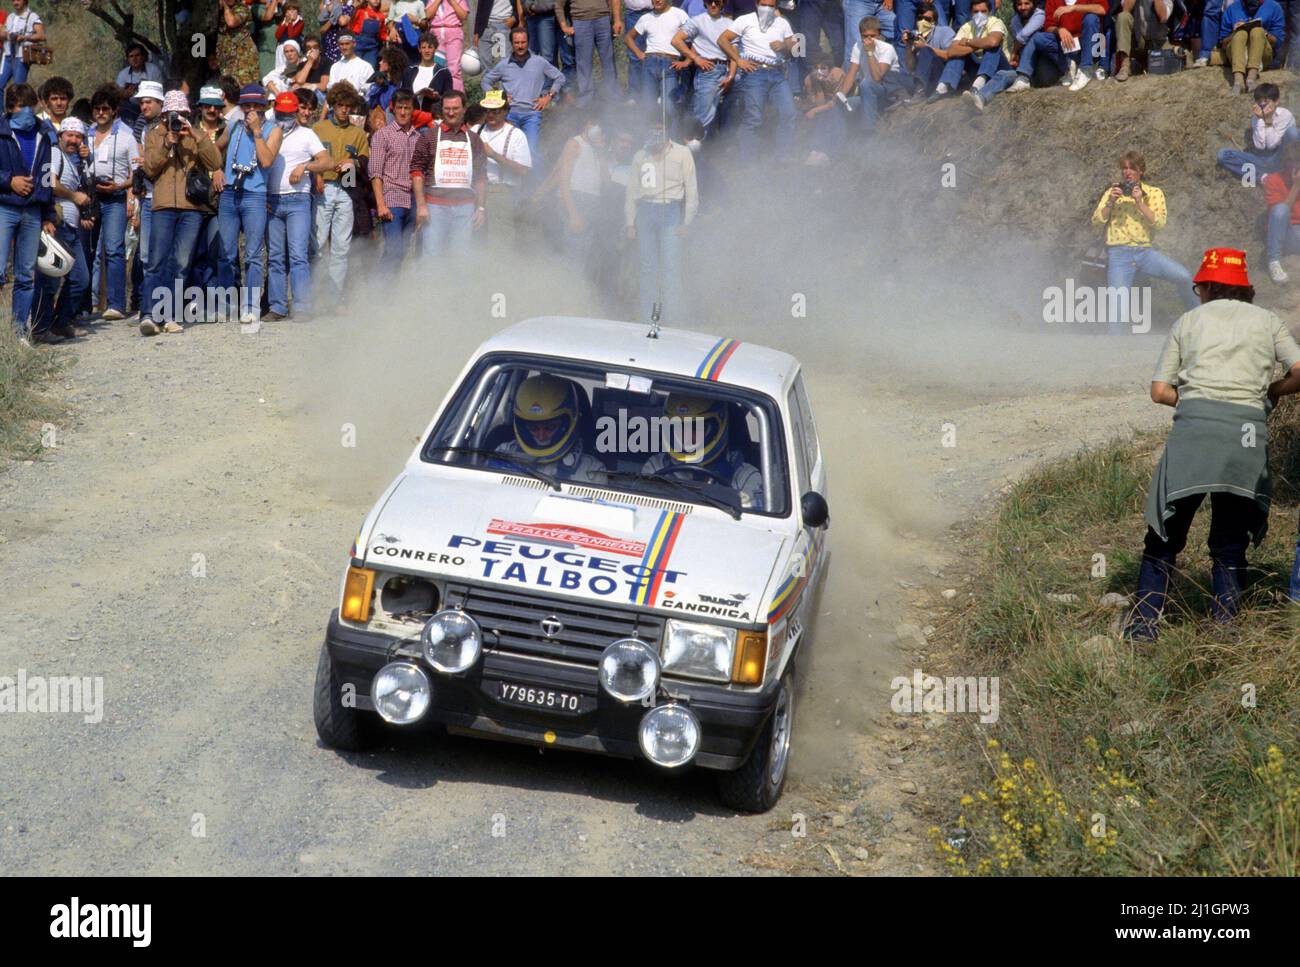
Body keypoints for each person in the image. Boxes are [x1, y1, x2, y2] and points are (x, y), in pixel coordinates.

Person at [1124, 248, 1300, 641]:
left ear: (1204, 287)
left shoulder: (1188, 320)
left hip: (1194, 434)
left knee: (1165, 535)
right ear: (1245, 289)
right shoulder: (1268, 321)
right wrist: (1271, 391)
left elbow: (1159, 391)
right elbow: (1299, 371)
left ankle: (1142, 628)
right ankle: (1225, 630)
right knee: (1229, 539)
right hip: (1245, 435)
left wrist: (1193, 402)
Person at [137, 90, 222, 336]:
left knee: (182, 263)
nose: (177, 118)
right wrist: (168, 142)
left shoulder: (195, 136)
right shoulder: (154, 135)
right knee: (156, 261)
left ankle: (172, 314)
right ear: (164, 115)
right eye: (173, 114)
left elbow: (215, 163)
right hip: (163, 206)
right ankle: (150, 314)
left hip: (190, 208)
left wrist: (196, 135)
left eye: (183, 114)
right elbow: (150, 168)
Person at [1092, 151, 1197, 335]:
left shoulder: (1154, 193)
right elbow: (1096, 222)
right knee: (1118, 307)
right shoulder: (1112, 192)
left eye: (1132, 168)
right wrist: (1110, 202)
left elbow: (1159, 223)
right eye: (1124, 168)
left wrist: (1140, 202)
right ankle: (1113, 348)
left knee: (1184, 276)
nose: (1128, 172)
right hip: (1119, 254)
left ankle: (1198, 322)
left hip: (1145, 252)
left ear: (1141, 170)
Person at [265, 91, 331, 322]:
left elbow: (327, 161)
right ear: (275, 110)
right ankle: (277, 306)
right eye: (280, 113)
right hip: (272, 200)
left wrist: (305, 167)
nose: (284, 117)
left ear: (296, 112)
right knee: (275, 256)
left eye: (288, 113)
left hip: (298, 200)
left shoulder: (307, 134)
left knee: (298, 255)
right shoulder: (267, 131)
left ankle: (302, 306)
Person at [624, 120, 696, 323]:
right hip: (646, 210)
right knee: (647, 266)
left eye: (660, 128)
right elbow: (631, 191)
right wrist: (629, 222)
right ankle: (648, 316)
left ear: (667, 130)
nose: (656, 133)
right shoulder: (640, 155)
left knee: (670, 265)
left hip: (670, 210)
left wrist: (687, 221)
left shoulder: (682, 153)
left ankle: (674, 317)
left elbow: (691, 189)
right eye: (653, 128)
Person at [641, 395, 763, 509]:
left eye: (695, 427)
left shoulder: (745, 478)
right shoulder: (656, 467)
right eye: (679, 427)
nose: (686, 435)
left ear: (715, 429)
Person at [33, 119, 93, 343]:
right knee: (48, 281)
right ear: (60, 136)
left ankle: (60, 322)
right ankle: (41, 327)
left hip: (71, 226)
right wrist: (74, 196)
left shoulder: (73, 159)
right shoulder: (54, 153)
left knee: (80, 278)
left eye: (78, 137)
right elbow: (49, 182)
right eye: (70, 135)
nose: (74, 140)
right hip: (57, 224)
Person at [410, 88, 487, 259]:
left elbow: (481, 176)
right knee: (432, 256)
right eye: (447, 109)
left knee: (461, 257)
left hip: (465, 207)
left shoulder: (474, 140)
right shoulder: (429, 136)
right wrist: (421, 205)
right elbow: (416, 171)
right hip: (435, 206)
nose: (451, 113)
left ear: (464, 109)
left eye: (455, 108)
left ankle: (456, 286)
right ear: (442, 109)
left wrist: (481, 207)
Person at [313, 82, 369, 307]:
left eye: (348, 105)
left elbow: (365, 162)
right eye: (340, 105)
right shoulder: (318, 128)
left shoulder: (358, 134)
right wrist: (316, 175)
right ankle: (315, 294)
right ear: (333, 105)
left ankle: (334, 297)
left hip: (347, 191)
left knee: (341, 247)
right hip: (323, 188)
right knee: (317, 243)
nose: (345, 109)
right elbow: (308, 157)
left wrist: (353, 161)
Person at [719, 0, 798, 160]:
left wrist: (784, 46)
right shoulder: (745, 20)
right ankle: (748, 162)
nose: (767, 8)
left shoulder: (782, 23)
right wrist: (739, 60)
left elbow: (794, 49)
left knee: (789, 112)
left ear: (776, 7)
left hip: (777, 72)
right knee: (754, 117)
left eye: (770, 5)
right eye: (763, 4)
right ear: (756, 4)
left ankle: (783, 157)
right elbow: (722, 39)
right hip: (754, 72)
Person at [494, 375, 606, 483]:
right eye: (533, 428)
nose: (541, 436)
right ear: (522, 425)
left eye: (550, 427)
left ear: (568, 423)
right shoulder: (502, 454)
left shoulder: (592, 472)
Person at [88, 84, 138, 322]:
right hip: (90, 197)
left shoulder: (127, 136)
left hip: (115, 197)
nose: (101, 113)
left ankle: (117, 304)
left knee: (114, 250)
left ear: (114, 110)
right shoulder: (85, 134)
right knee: (88, 250)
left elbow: (136, 172)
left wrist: (121, 187)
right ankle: (86, 304)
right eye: (97, 109)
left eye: (105, 108)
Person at [482, 26, 565, 168]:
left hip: (531, 115)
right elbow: (485, 81)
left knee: (532, 151)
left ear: (528, 42)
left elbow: (560, 77)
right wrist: (498, 98)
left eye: (523, 42)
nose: (520, 46)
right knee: (508, 151)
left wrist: (548, 97)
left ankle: (538, 187)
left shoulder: (539, 62)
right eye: (517, 43)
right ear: (512, 44)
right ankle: (512, 185)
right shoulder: (504, 65)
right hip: (509, 115)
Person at [369, 88, 422, 273]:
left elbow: (422, 174)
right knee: (394, 250)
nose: (403, 112)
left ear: (413, 109)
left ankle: (392, 295)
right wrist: (380, 204)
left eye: (407, 108)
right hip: (392, 199)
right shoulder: (382, 135)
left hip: (413, 200)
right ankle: (380, 294)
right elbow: (375, 173)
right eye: (399, 107)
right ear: (392, 108)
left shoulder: (419, 138)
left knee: (404, 252)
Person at [473, 88, 532, 251]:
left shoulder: (516, 135)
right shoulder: (475, 130)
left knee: (500, 242)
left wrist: (493, 155)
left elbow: (524, 170)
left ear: (506, 110)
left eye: (496, 111)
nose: (490, 114)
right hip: (474, 191)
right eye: (488, 110)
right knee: (475, 241)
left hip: (502, 192)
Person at [674, 0, 736, 136]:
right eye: (709, 1)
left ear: (723, 3)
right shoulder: (697, 21)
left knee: (721, 115)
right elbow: (676, 40)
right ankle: (693, 150)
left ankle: (712, 152)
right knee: (703, 117)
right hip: (708, 70)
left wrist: (731, 76)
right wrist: (695, 58)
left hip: (727, 72)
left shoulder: (730, 24)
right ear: (705, 3)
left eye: (717, 2)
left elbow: (734, 53)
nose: (713, 5)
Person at [925, 0, 1008, 102]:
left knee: (993, 48)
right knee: (958, 54)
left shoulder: (995, 22)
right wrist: (979, 44)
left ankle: (978, 84)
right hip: (977, 67)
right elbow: (951, 51)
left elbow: (993, 41)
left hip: (999, 67)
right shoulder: (966, 27)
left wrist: (968, 41)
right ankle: (943, 87)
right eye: (976, 11)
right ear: (970, 13)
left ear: (990, 12)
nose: (979, 15)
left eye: (983, 11)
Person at [1215, 83, 1297, 181]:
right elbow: (1260, 146)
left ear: (1276, 102)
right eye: (1259, 102)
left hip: (1281, 159)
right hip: (1262, 159)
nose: (1262, 105)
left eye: (1266, 102)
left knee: (1293, 133)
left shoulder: (1285, 115)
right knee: (1223, 154)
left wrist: (1268, 120)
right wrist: (1260, 120)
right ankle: (1264, 178)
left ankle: (1288, 174)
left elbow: (1271, 145)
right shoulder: (1256, 118)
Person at [839, 15, 911, 127]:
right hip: (867, 94)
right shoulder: (857, 46)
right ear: (860, 35)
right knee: (840, 106)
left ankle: (868, 131)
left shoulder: (887, 48)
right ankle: (831, 142)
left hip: (887, 93)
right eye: (865, 36)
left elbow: (877, 78)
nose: (868, 39)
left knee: (866, 84)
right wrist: (841, 96)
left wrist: (870, 52)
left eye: (872, 36)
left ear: (878, 35)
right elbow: (851, 75)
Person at [625, 0, 691, 115]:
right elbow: (628, 38)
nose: (657, 0)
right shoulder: (646, 18)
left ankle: (673, 133)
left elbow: (695, 38)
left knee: (669, 107)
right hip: (649, 64)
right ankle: (649, 133)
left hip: (670, 63)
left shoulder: (679, 14)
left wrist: (688, 60)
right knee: (648, 107)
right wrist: (639, 54)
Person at [559, 0, 623, 106]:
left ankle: (613, 96)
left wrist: (617, 19)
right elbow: (559, 4)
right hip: (580, 20)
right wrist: (564, 26)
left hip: (602, 18)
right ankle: (585, 99)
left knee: (608, 61)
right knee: (583, 64)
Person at [1218, 0, 1286, 93]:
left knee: (1257, 31)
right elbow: (1223, 43)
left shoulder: (1274, 7)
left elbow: (1278, 42)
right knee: (1240, 33)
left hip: (1261, 57)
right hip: (1237, 54)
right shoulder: (1232, 8)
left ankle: (1251, 78)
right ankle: (1238, 80)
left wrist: (1264, 33)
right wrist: (1235, 32)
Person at [1263, 140, 1300, 283]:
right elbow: (1279, 216)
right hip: (1285, 233)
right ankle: (1274, 262)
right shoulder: (1273, 180)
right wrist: (1296, 186)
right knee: (1280, 209)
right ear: (1287, 163)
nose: (1296, 166)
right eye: (1294, 162)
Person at [1114, 0, 1172, 81]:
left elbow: (1163, 16)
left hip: (1158, 43)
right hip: (1139, 42)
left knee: (1174, 57)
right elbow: (1125, 9)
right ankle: (1125, 66)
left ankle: (1144, 65)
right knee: (1122, 17)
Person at [0, 0, 45, 91]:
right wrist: (6, 35)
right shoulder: (10, 17)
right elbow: (3, 33)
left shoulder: (32, 16)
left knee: (18, 89)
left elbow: (41, 36)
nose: (15, 2)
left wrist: (24, 37)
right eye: (13, 0)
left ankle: (21, 105)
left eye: (18, 0)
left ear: (25, 1)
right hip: (8, 56)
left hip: (21, 57)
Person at [216, 0, 262, 86]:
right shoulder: (218, 11)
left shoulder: (242, 8)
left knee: (245, 88)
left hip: (243, 59)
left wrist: (225, 5)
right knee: (229, 88)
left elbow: (231, 22)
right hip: (227, 59)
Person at [426, 0, 470, 90]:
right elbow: (428, 15)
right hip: (436, 33)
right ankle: (439, 96)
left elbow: (464, 16)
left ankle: (456, 95)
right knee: (438, 66)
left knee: (454, 69)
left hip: (453, 32)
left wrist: (452, 2)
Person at [474, 0, 525, 72]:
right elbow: (480, 8)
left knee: (505, 63)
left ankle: (506, 82)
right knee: (485, 63)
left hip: (504, 25)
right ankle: (489, 82)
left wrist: (514, 18)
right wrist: (476, 32)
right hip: (486, 27)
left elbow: (520, 3)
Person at [329, 33, 377, 99]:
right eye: (342, 44)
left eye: (347, 44)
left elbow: (369, 89)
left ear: (354, 44)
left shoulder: (365, 66)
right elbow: (331, 88)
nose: (344, 47)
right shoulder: (334, 67)